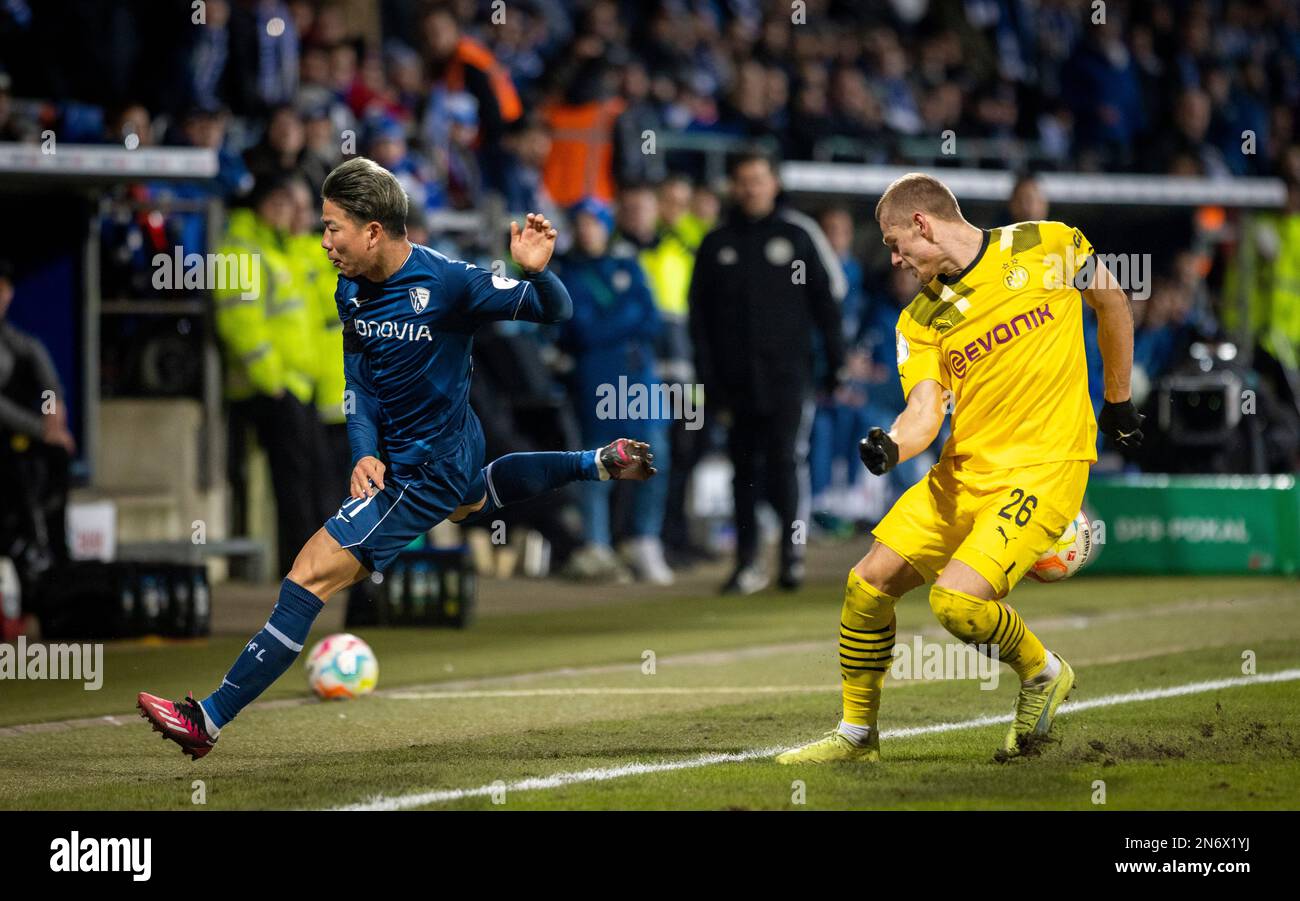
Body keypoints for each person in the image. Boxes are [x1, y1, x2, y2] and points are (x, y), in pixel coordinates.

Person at [137, 158, 657, 760]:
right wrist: (364, 453)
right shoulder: (351, 287)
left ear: (374, 229)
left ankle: (208, 718)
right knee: (473, 500)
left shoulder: (453, 282)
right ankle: (592, 462)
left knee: (307, 574)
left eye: (334, 227)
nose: (324, 240)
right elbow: (357, 382)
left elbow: (556, 311)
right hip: (436, 457)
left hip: (425, 469)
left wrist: (538, 274)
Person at [777, 172, 1143, 764]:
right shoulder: (919, 320)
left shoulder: (1045, 245)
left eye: (896, 243)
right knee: (865, 586)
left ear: (923, 223)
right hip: (965, 471)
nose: (894, 259)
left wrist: (1119, 400)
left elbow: (1111, 301)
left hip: (1045, 467)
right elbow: (923, 413)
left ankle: (1043, 672)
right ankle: (856, 738)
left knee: (957, 604)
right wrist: (892, 445)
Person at [688, 150, 845, 594]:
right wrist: (707, 378)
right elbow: (698, 319)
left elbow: (826, 304)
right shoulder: (717, 243)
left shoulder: (797, 236)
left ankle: (791, 558)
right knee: (743, 470)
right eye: (743, 180)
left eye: (758, 179)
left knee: (784, 462)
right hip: (734, 381)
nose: (750, 188)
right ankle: (746, 562)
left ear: (774, 183)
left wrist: (835, 364)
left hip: (788, 376)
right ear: (733, 187)